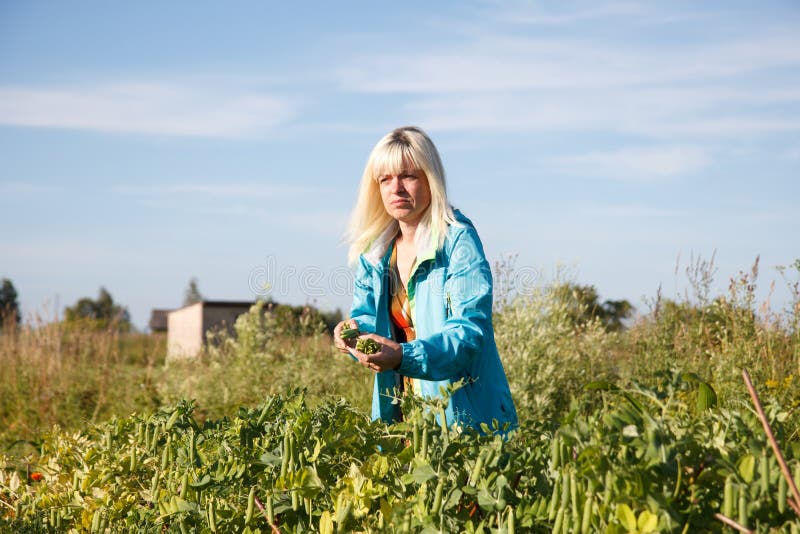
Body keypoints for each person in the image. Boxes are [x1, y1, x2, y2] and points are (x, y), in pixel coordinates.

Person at [334, 126, 517, 433]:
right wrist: (351, 334)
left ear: (430, 179)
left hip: (461, 416)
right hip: (400, 416)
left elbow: (469, 333)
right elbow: (366, 319)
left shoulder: (458, 240)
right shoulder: (375, 252)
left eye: (408, 176)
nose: (396, 188)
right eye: (385, 179)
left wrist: (402, 356)